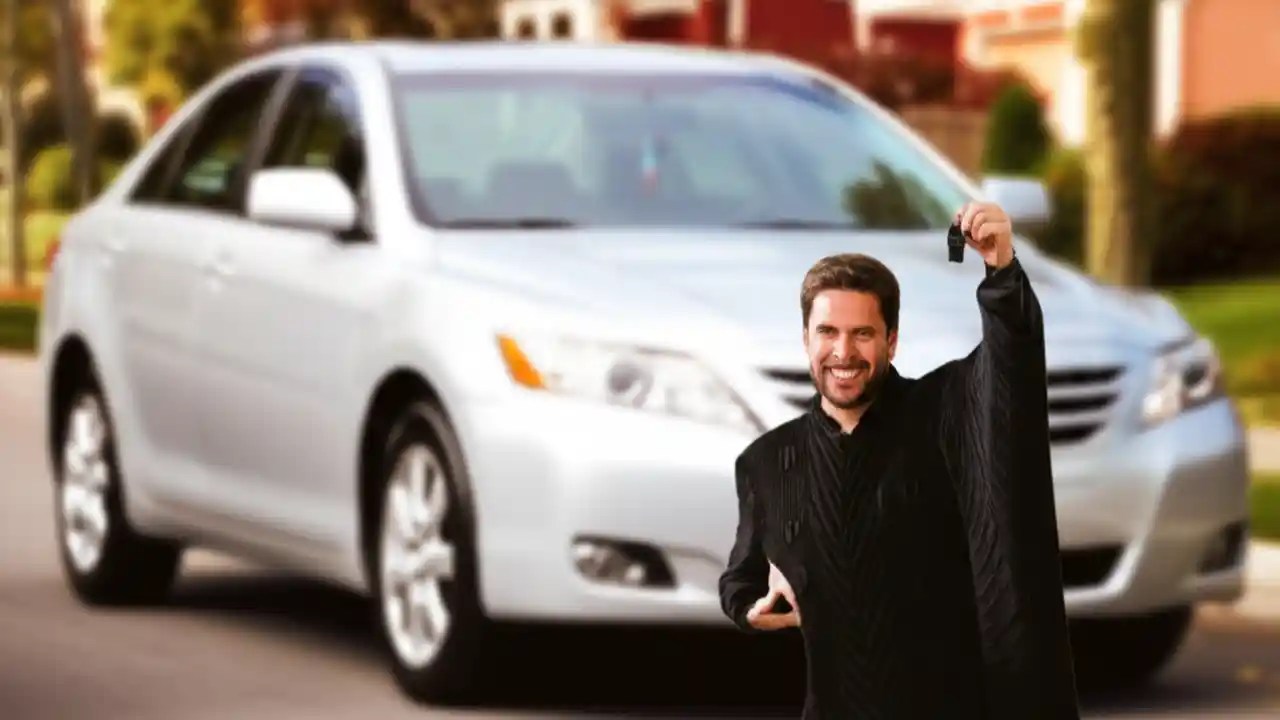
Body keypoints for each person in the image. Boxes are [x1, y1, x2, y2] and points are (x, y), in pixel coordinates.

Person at [718, 202, 1081, 719]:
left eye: (862, 334)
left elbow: (1009, 360)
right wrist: (752, 608)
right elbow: (742, 576)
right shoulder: (766, 462)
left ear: (891, 341)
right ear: (805, 341)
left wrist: (1001, 271)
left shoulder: (944, 414)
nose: (843, 352)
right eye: (828, 333)